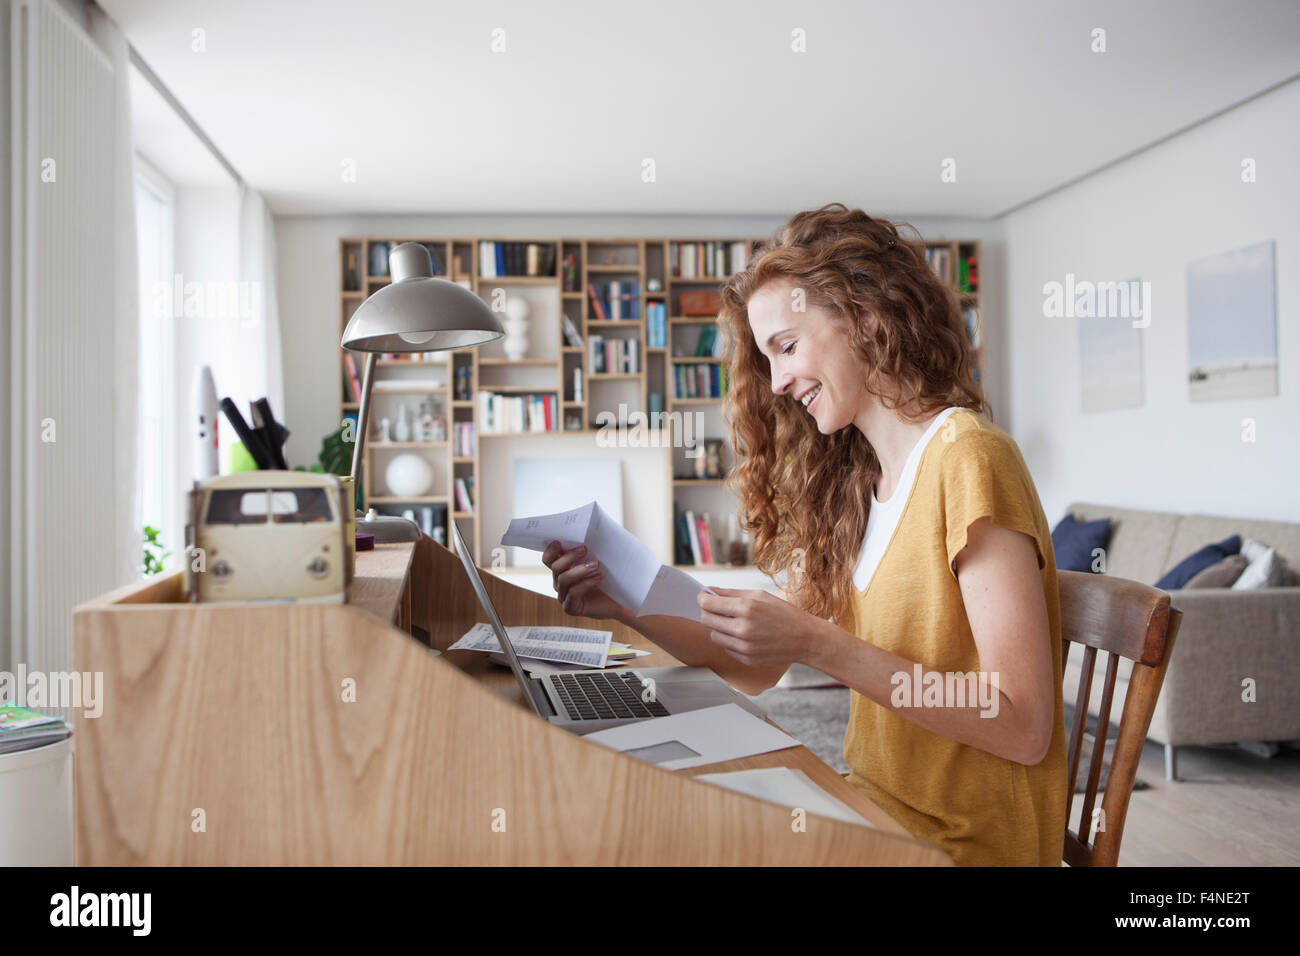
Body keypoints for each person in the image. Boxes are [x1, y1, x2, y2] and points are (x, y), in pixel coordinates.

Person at [543, 203, 1066, 866]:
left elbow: (1022, 725)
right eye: (768, 360)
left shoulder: (970, 459)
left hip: (961, 848)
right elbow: (758, 665)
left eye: (786, 347)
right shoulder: (863, 488)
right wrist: (623, 605)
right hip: (870, 810)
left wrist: (824, 646)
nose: (780, 382)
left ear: (868, 317)